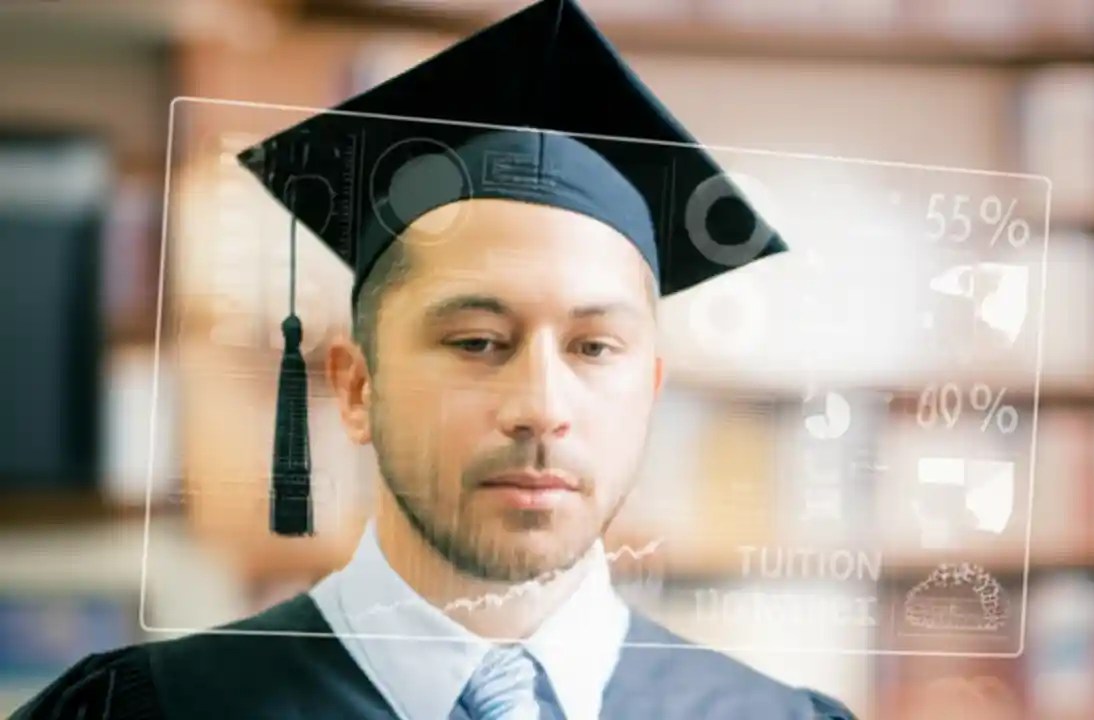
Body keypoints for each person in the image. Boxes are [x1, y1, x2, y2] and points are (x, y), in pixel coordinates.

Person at [15, 1, 857, 718]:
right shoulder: (151, 709)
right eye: (478, 342)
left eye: (595, 347)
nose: (540, 405)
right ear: (355, 385)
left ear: (651, 388)